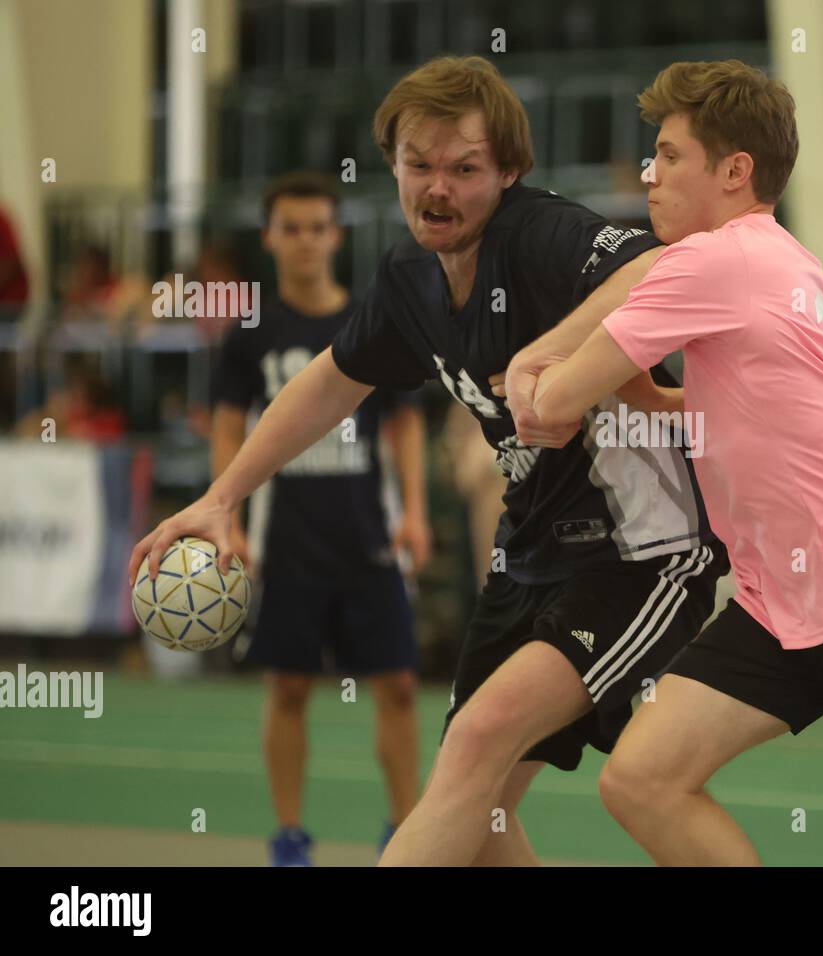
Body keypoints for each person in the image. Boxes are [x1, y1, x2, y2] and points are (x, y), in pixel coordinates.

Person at [130, 55, 726, 867]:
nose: (436, 189)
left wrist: (544, 354)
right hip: (529, 557)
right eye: (418, 166)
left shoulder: (540, 235)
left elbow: (662, 266)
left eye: (464, 169)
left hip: (640, 553)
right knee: (473, 812)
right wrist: (223, 497)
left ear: (509, 171)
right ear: (392, 165)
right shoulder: (408, 280)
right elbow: (328, 386)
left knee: (476, 750)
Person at [521, 59, 823, 866]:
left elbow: (553, 405)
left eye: (671, 155)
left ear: (735, 171)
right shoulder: (796, 264)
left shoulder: (710, 261)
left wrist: (531, 371)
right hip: (783, 604)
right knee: (641, 778)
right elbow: (751, 407)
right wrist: (640, 394)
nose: (651, 173)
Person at [211, 171, 431, 865]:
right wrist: (231, 516)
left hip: (368, 533)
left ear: (336, 236)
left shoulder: (373, 316)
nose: (305, 241)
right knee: (290, 685)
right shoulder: (251, 334)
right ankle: (289, 835)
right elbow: (225, 426)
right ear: (270, 237)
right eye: (291, 228)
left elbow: (404, 424)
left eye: (317, 228)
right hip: (287, 538)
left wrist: (417, 512)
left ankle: (405, 831)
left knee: (397, 682)